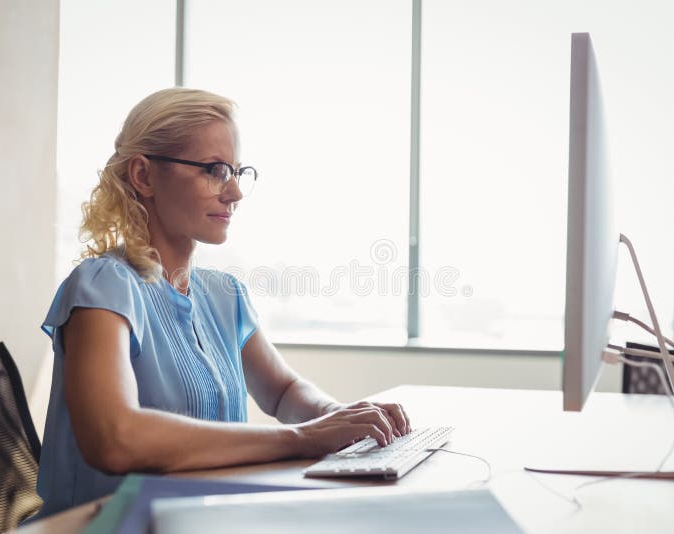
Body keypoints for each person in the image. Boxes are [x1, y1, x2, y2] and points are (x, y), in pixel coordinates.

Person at [35, 88, 411, 518]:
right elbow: (115, 439)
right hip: (105, 524)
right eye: (214, 170)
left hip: (202, 517)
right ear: (143, 176)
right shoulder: (103, 285)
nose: (234, 193)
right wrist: (304, 438)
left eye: (236, 171)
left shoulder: (223, 294)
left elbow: (284, 390)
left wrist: (340, 418)